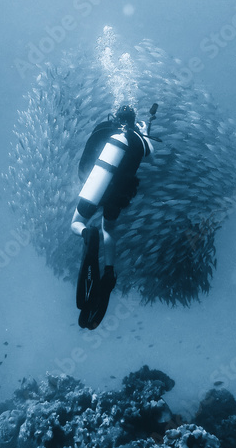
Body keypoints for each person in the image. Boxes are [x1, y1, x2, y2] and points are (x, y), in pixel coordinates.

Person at [72, 103, 157, 329]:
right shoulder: (138, 138)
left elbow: (89, 151)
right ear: (133, 120)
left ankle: (87, 235)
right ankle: (109, 271)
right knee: (108, 229)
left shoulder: (104, 127)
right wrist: (143, 131)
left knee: (77, 222)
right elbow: (150, 157)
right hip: (119, 193)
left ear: (116, 116)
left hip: (96, 184)